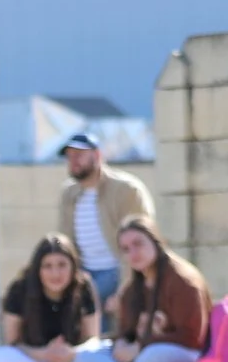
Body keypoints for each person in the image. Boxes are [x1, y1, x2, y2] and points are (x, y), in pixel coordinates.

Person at [0, 234, 127, 362]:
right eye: (48, 266)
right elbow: (14, 343)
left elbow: (92, 339)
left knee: (103, 350)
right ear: (38, 269)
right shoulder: (20, 289)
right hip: (35, 361)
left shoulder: (84, 286)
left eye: (62, 265)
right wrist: (44, 354)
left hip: (71, 360)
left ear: (73, 266)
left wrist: (69, 353)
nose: (55, 273)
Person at [54, 131, 157, 322]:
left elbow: (143, 239)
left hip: (117, 269)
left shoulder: (126, 189)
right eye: (69, 156)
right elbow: (64, 242)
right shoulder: (68, 194)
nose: (73, 161)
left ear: (97, 155)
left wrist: (125, 289)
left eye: (79, 155)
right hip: (83, 273)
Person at [110, 215, 212, 362]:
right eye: (126, 249)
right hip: (139, 356)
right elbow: (126, 333)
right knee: (88, 354)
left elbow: (192, 338)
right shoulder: (130, 291)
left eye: (138, 244)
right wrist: (120, 344)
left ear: (156, 241)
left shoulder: (183, 281)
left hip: (184, 358)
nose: (133, 253)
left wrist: (141, 347)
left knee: (153, 356)